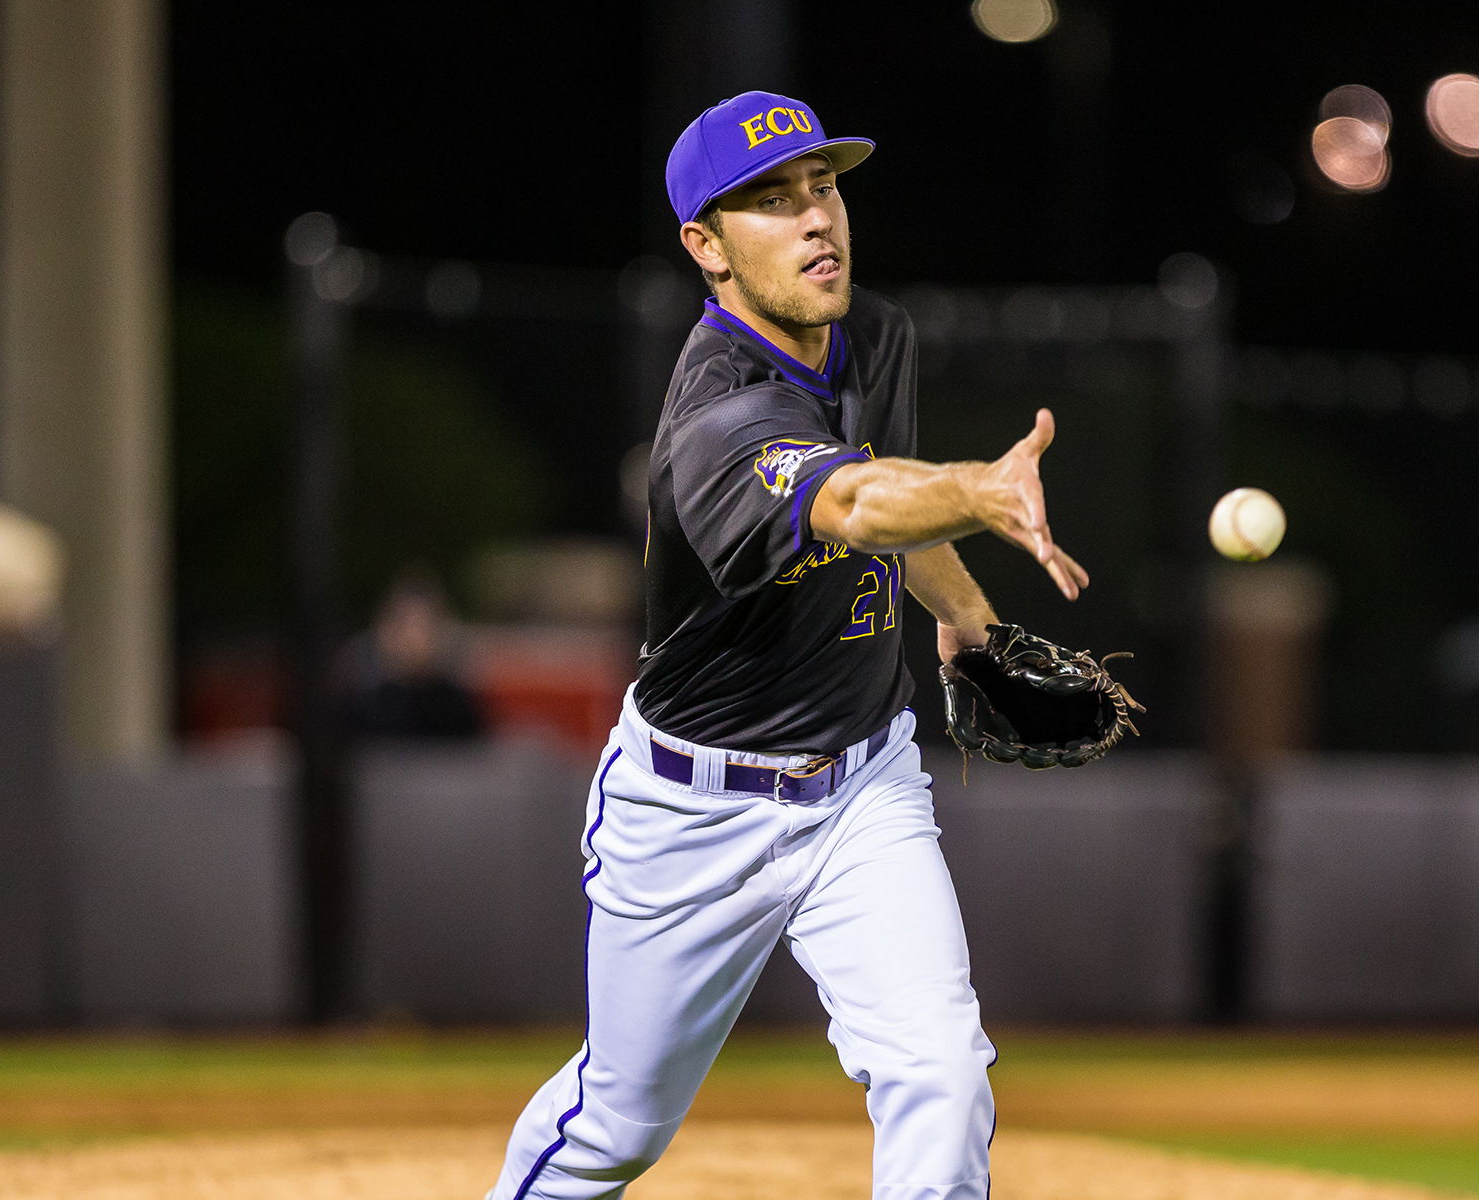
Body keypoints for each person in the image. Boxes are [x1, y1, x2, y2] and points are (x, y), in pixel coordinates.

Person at [489, 91, 1087, 1200]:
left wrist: (971, 624)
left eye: (823, 186)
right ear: (705, 247)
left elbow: (892, 512)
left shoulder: (880, 337)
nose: (816, 218)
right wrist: (980, 491)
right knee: (618, 1126)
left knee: (941, 1072)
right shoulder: (713, 420)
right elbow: (855, 506)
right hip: (691, 812)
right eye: (770, 200)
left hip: (864, 784)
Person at [344, 569, 484, 739]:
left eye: (426, 626)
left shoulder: (457, 706)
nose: (415, 638)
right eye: (407, 625)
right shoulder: (365, 705)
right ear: (385, 628)